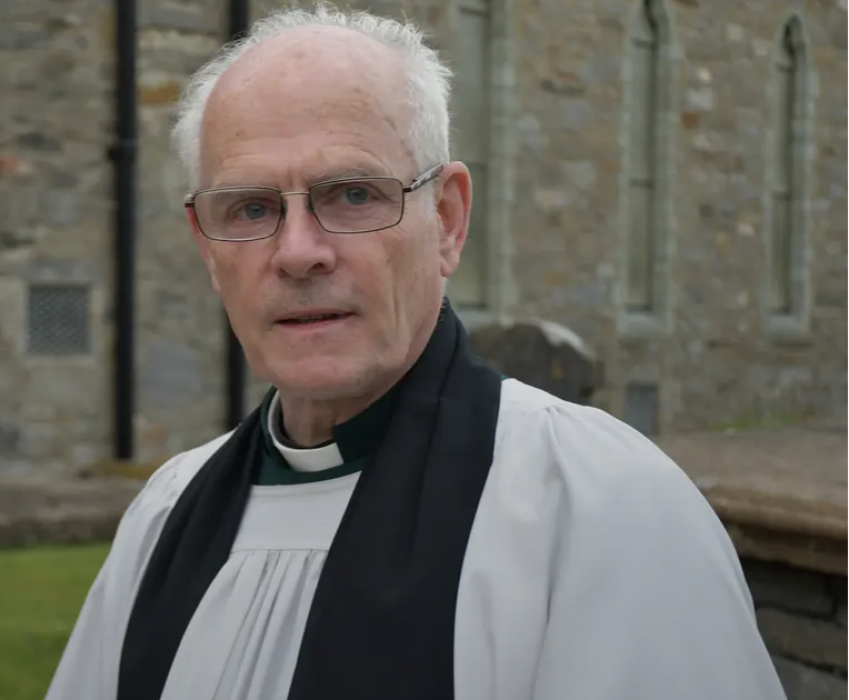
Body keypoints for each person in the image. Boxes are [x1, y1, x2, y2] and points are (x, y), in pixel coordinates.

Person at [45, 4, 787, 700]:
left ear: (448, 220)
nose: (298, 253)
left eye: (353, 195)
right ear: (208, 249)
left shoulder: (599, 508)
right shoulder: (167, 515)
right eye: (251, 209)